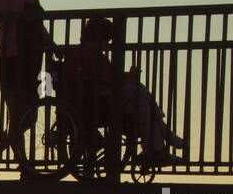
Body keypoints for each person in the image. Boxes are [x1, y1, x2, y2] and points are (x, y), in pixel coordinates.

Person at [62, 18, 186, 171]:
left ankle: (156, 151)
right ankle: (166, 134)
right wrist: (124, 78)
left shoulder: (100, 57)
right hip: (93, 100)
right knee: (137, 89)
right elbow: (88, 78)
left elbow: (112, 76)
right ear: (97, 38)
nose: (107, 45)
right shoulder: (76, 53)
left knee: (142, 105)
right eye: (106, 40)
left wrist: (126, 77)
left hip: (107, 97)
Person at [0, 0, 54, 179]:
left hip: (31, 59)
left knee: (29, 116)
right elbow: (9, 19)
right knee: (17, 114)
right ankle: (23, 165)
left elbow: (38, 24)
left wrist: (51, 44)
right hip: (10, 58)